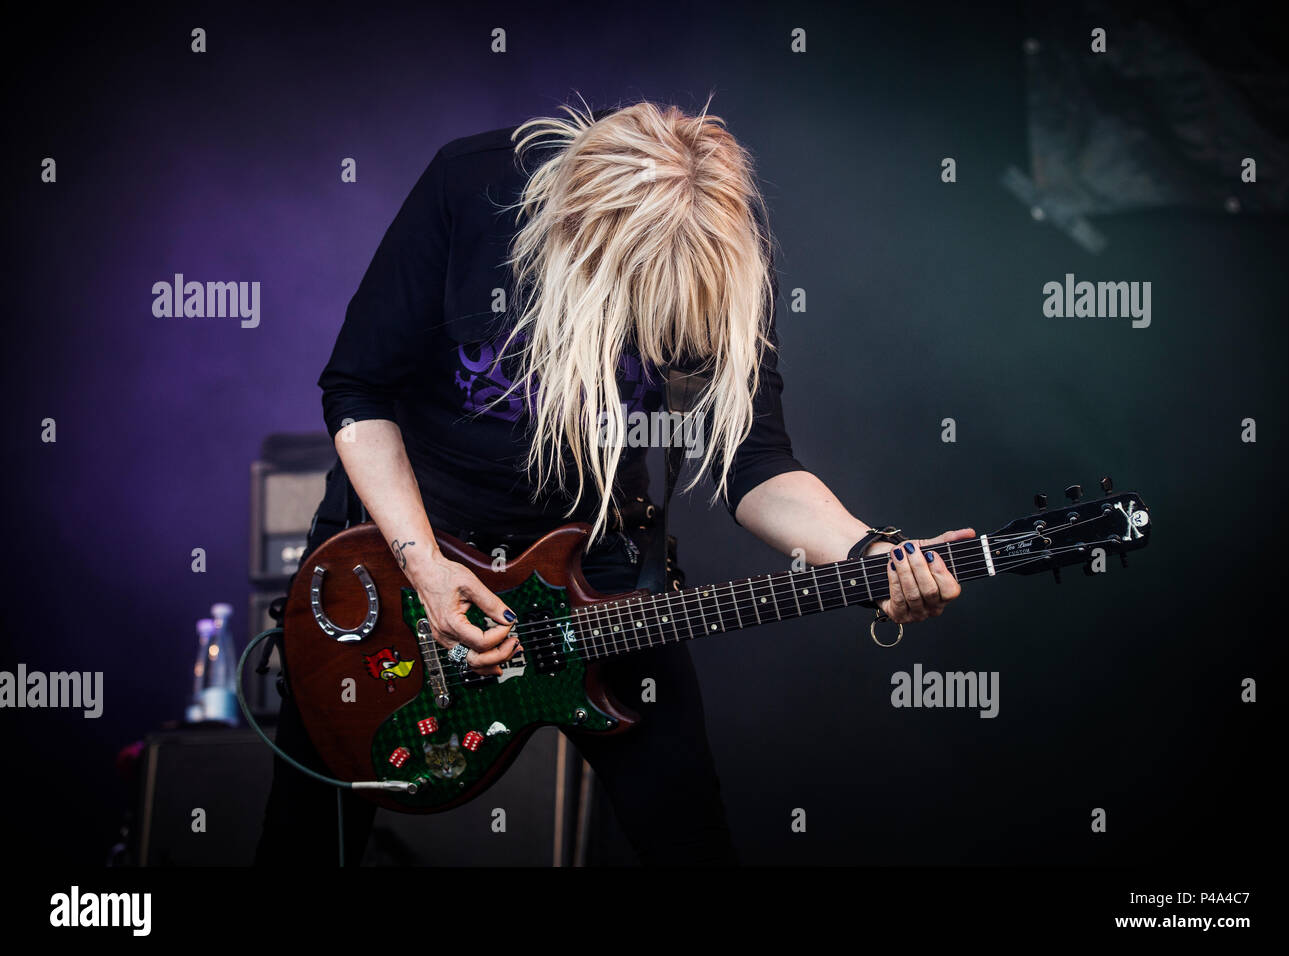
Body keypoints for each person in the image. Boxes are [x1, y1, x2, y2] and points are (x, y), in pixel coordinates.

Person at [256, 99, 972, 866]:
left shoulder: (719, 252)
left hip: (593, 568)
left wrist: (869, 552)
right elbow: (358, 389)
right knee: (308, 842)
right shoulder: (474, 185)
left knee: (690, 837)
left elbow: (753, 463)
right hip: (396, 553)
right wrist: (426, 568)